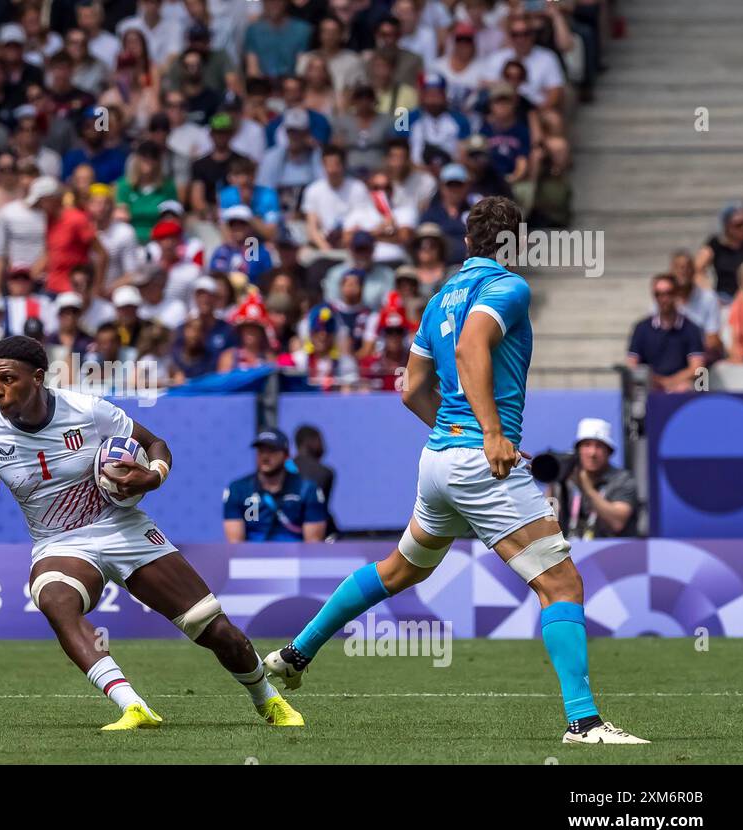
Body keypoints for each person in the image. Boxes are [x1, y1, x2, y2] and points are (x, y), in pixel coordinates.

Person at [264, 196, 648, 745]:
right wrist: (489, 433)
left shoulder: (440, 297)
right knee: (561, 585)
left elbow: (411, 390)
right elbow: (472, 349)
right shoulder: (510, 288)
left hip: (438, 460)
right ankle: (584, 723)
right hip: (479, 459)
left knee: (401, 570)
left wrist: (453, 434)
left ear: (466, 243)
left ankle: (295, 652)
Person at [0, 335, 303, 730]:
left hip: (123, 526)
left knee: (212, 629)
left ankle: (267, 700)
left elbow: (156, 444)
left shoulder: (88, 410)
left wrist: (153, 476)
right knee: (54, 598)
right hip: (59, 542)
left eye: (7, 379)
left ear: (37, 378)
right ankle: (133, 706)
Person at [223, 428, 328, 543]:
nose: (265, 457)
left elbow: (313, 544)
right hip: (252, 558)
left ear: (286, 455)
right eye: (261, 451)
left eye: (271, 450)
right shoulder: (238, 489)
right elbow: (235, 544)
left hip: (294, 558)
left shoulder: (307, 489)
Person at [546, 418, 640, 540]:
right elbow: (548, 524)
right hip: (570, 553)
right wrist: (555, 484)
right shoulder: (565, 481)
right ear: (578, 450)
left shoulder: (623, 479)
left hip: (613, 553)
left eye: (599, 446)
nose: (592, 453)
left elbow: (617, 522)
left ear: (609, 452)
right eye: (587, 445)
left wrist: (586, 488)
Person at [626, 274, 705, 393]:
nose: (664, 299)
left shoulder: (691, 328)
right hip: (650, 386)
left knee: (685, 388)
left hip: (680, 387)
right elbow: (631, 364)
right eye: (658, 294)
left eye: (669, 293)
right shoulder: (642, 328)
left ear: (677, 294)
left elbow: (697, 367)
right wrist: (655, 381)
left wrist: (671, 382)